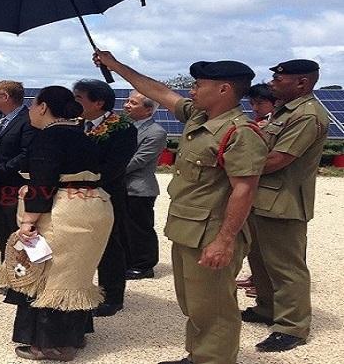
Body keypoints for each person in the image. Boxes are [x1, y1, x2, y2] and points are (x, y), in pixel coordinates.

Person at [94, 51, 268, 364]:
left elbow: (244, 189)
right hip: (189, 228)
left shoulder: (239, 133)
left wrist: (225, 240)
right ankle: (200, 355)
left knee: (214, 306)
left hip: (212, 232)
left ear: (224, 90)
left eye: (199, 85)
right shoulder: (200, 117)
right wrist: (115, 65)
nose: (192, 90)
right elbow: (158, 91)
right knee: (195, 302)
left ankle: (214, 360)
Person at [0, 86, 113, 362]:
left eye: (33, 105)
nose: (30, 111)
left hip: (65, 211)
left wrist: (28, 221)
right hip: (94, 206)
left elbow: (43, 182)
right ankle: (75, 336)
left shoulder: (49, 137)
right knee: (76, 275)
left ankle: (53, 345)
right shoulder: (81, 134)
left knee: (52, 276)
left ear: (44, 107)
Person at [241, 59, 328, 353]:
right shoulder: (284, 111)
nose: (273, 83)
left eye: (280, 79)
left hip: (283, 201)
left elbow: (278, 159)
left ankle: (292, 326)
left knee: (286, 267)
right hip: (262, 198)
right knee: (260, 260)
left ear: (302, 82)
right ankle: (266, 308)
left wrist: (233, 166)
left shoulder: (306, 115)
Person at [73, 79, 136, 317]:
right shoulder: (75, 125)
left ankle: (112, 295)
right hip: (74, 194)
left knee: (110, 245)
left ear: (98, 102)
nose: (74, 102)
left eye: (79, 98)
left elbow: (115, 166)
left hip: (106, 194)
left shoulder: (122, 127)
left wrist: (87, 182)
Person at [0, 80, 38, 287]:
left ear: (6, 97)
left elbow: (26, 153)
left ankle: (20, 278)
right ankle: (6, 273)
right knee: (1, 232)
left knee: (16, 233)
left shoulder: (27, 120)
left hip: (13, 185)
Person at [236, 83, 278, 296]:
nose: (255, 107)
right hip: (256, 192)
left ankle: (266, 285)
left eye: (260, 103)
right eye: (252, 103)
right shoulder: (256, 123)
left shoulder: (278, 123)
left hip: (271, 191)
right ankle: (257, 279)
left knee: (270, 246)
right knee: (253, 242)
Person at [123, 90, 167, 280]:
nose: (126, 105)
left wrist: (108, 171)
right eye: (128, 101)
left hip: (139, 188)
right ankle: (127, 260)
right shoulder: (124, 127)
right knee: (123, 226)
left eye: (133, 103)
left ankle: (144, 265)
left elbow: (139, 160)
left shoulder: (155, 132)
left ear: (148, 110)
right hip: (122, 186)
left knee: (140, 228)